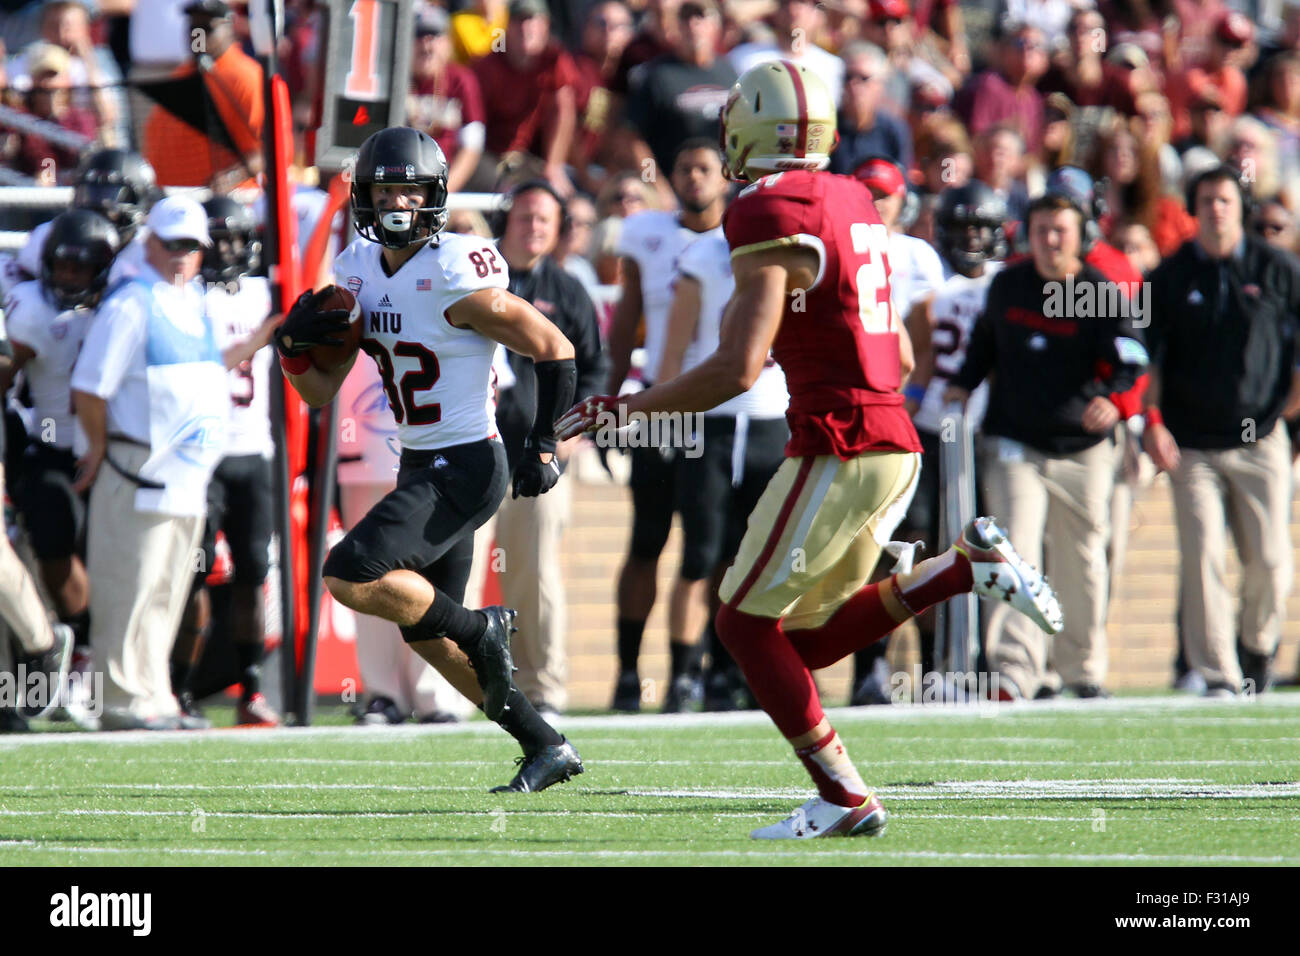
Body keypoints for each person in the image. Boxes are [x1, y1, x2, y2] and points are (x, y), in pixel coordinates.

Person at [558, 62, 1064, 839]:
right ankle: (964, 569)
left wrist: (630, 409)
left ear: (756, 130)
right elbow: (884, 342)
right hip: (885, 436)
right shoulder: (853, 196)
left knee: (738, 626)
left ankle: (843, 793)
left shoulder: (769, 208)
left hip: (842, 441)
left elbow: (738, 364)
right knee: (806, 639)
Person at [278, 127, 583, 792]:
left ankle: (483, 626)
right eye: (386, 188)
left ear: (434, 196)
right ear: (365, 196)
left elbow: (554, 346)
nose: (397, 201)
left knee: (351, 570)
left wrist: (542, 442)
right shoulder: (357, 268)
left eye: (410, 188)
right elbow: (321, 391)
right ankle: (544, 744)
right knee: (427, 636)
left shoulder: (453, 266)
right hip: (417, 462)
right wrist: (293, 351)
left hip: (469, 463)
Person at [945, 193, 1150, 701]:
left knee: (1082, 559)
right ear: (1026, 233)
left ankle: (1081, 670)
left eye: (1060, 229)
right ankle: (1015, 671)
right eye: (1041, 229)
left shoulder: (1098, 291)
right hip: (1016, 443)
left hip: (1083, 449)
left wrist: (1114, 400)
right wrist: (959, 386)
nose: (1050, 239)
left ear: (1080, 234)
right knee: (1014, 554)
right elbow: (983, 347)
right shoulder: (1008, 285)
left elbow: (1132, 357)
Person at [70, 195, 234, 730]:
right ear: (150, 242)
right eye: (173, 244)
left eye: (191, 246)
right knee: (128, 589)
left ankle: (154, 692)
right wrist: (97, 449)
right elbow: (90, 388)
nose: (182, 256)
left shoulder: (191, 302)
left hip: (184, 479)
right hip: (134, 470)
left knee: (166, 590)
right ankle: (119, 699)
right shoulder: (130, 303)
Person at [1144, 165, 1300, 696]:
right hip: (1192, 444)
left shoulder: (1277, 268)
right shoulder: (1168, 277)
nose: (1216, 209)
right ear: (1193, 208)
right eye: (1206, 199)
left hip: (1261, 437)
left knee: (1272, 561)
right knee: (1204, 556)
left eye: (1226, 199)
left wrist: (1287, 417)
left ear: (1242, 206)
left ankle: (1257, 650)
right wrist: (1153, 422)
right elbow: (1148, 361)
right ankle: (1218, 676)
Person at [854, 180, 1009, 704]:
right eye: (960, 227)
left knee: (981, 548)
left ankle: (973, 664)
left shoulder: (1009, 284)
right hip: (926, 428)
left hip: (990, 433)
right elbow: (907, 349)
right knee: (912, 545)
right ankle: (902, 666)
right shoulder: (925, 276)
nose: (969, 238)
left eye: (979, 228)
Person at [601, 137, 729, 712]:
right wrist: (608, 397)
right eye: (685, 167)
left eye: (705, 167)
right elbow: (626, 318)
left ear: (725, 176)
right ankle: (629, 672)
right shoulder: (648, 234)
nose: (695, 177)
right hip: (659, 406)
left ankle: (691, 672)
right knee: (647, 540)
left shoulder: (745, 235)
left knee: (708, 549)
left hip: (722, 411)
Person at [656, 188, 790, 712]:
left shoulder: (789, 255)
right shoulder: (704, 255)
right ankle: (686, 674)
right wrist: (661, 416)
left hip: (771, 421)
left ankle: (745, 670)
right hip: (709, 422)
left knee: (759, 558)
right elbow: (674, 345)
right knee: (700, 554)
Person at [491, 180, 608, 715]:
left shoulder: (567, 290)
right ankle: (448, 693)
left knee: (536, 576)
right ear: (506, 219)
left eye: (544, 218)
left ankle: (544, 691)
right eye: (524, 216)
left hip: (538, 459)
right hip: (472, 452)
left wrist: (569, 435)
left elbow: (596, 369)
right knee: (458, 574)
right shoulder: (475, 278)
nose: (534, 226)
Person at [0, 209, 118, 727]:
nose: (70, 278)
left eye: (81, 268)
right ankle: (68, 654)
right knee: (52, 542)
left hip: (121, 448)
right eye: (62, 267)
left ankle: (105, 665)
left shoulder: (130, 301)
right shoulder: (29, 309)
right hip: (50, 446)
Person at [172, 196, 281, 727]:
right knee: (191, 576)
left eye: (238, 239)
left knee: (252, 576)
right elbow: (205, 367)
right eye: (221, 240)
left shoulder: (265, 290)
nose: (230, 251)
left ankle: (252, 691)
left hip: (253, 453)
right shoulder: (187, 298)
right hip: (203, 456)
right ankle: (177, 689)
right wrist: (264, 336)